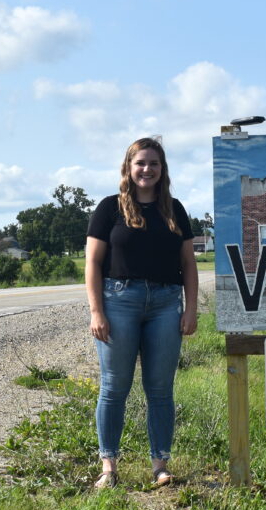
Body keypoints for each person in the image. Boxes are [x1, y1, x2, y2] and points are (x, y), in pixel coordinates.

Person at [85, 136, 198, 489]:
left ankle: (160, 466)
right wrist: (96, 311)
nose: (147, 169)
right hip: (119, 301)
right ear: (128, 167)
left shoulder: (174, 209)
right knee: (114, 386)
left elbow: (189, 264)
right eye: (141, 163)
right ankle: (109, 467)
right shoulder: (109, 208)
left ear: (162, 169)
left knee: (160, 388)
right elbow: (93, 263)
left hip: (166, 303)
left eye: (154, 163)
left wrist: (191, 309)